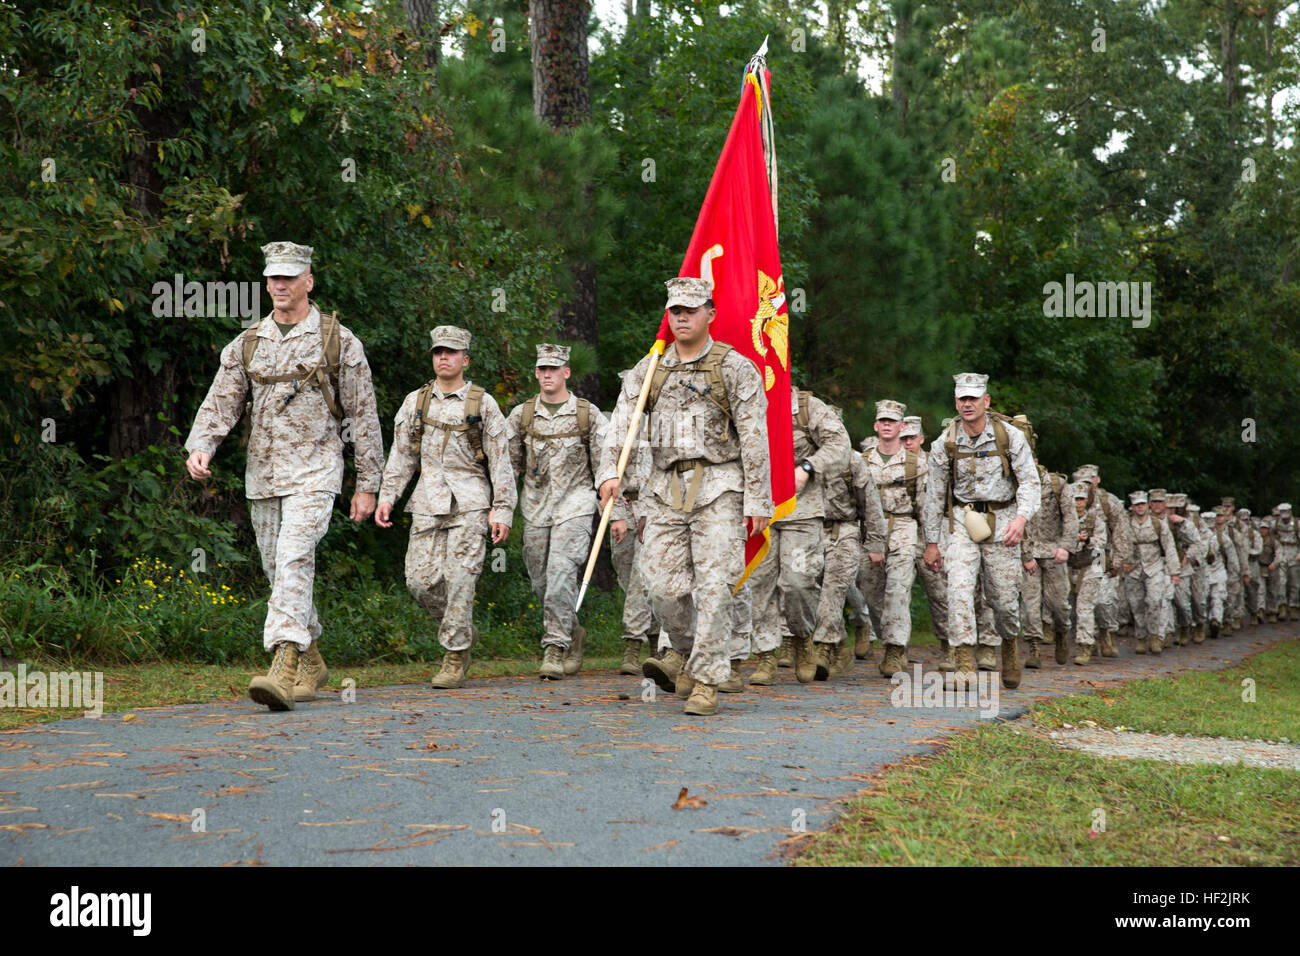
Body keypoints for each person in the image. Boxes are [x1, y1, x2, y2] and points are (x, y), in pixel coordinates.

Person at [184, 241, 384, 711]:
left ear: (308, 282)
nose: (280, 285)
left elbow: (363, 415)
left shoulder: (339, 341)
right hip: (265, 474)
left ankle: (283, 658)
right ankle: (312, 658)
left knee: (294, 557)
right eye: (273, 277)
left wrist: (368, 484)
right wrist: (202, 445)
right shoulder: (249, 342)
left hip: (317, 471)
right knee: (280, 574)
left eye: (289, 277)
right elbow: (222, 401)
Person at [597, 277, 771, 716]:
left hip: (720, 488)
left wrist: (758, 502)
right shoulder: (650, 368)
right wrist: (608, 478)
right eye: (675, 310)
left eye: (690, 310)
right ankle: (692, 652)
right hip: (662, 490)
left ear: (710, 314)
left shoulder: (733, 367)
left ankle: (707, 680)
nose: (681, 317)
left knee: (714, 586)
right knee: (661, 590)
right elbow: (622, 426)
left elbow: (754, 438)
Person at [375, 325, 515, 689]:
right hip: (427, 501)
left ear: (464, 359)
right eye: (438, 351)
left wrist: (502, 511)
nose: (443, 357)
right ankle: (462, 629)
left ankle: (454, 655)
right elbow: (402, 456)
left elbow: (501, 462)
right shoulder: (415, 402)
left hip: (470, 503)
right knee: (419, 582)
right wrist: (387, 497)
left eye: (451, 352)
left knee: (460, 580)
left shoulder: (483, 403)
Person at [923, 374, 1040, 689]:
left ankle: (1008, 644)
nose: (968, 404)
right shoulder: (945, 443)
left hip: (1003, 519)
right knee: (958, 590)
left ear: (986, 401)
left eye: (974, 398)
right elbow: (933, 495)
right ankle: (963, 662)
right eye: (962, 398)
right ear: (956, 402)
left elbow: (1029, 481)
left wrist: (1021, 519)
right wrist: (932, 543)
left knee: (1003, 600)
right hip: (963, 520)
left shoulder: (1009, 436)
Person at [506, 344, 610, 680]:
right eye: (542, 369)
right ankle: (573, 631)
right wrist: (500, 508)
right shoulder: (521, 416)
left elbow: (607, 468)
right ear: (536, 373)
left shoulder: (587, 414)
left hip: (576, 505)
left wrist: (617, 512)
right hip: (536, 507)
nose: (548, 375)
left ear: (566, 372)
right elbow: (508, 467)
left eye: (555, 369)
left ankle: (554, 648)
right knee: (541, 581)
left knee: (561, 574)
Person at [747, 385, 850, 684]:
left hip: (800, 509)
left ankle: (803, 637)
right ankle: (766, 655)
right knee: (760, 584)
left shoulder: (806, 406)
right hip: (758, 508)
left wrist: (807, 467)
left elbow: (840, 445)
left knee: (797, 582)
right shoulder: (743, 397)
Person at [811, 413, 887, 677]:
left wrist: (876, 543)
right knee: (805, 589)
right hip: (808, 533)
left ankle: (822, 647)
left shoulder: (852, 461)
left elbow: (871, 504)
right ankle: (840, 642)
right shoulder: (803, 461)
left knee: (833, 588)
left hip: (844, 531)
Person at [861, 400, 926, 677]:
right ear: (876, 426)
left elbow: (925, 506)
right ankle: (888, 637)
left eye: (892, 421)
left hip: (903, 527)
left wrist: (929, 545)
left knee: (898, 590)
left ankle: (895, 650)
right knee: (871, 593)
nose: (887, 424)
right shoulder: (862, 461)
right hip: (870, 532)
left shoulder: (917, 464)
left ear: (902, 427)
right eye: (882, 420)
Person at [901, 415, 951, 664]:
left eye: (911, 438)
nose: (907, 442)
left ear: (921, 438)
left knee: (939, 592)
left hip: (930, 535)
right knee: (897, 593)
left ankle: (948, 645)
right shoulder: (892, 465)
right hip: (901, 532)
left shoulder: (935, 463)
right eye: (903, 438)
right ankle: (897, 649)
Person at [1124, 491, 1179, 654]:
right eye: (1137, 505)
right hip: (1133, 569)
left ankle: (1154, 636)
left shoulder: (1157, 524)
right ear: (1132, 507)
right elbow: (1117, 544)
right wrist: (1120, 564)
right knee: (1136, 604)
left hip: (1154, 567)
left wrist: (1174, 571)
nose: (1140, 507)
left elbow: (1169, 547)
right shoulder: (1126, 524)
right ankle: (1141, 638)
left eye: (1142, 504)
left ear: (1147, 505)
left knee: (1155, 601)